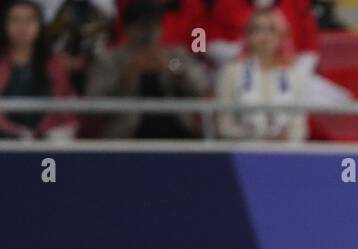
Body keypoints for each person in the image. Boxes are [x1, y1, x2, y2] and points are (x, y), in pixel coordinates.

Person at [84, 0, 208, 139]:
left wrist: (173, 69)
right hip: (127, 136)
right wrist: (126, 76)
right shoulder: (109, 60)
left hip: (180, 132)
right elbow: (93, 105)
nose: (147, 34)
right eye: (141, 27)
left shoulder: (177, 55)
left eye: (153, 26)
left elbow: (201, 89)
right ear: (127, 29)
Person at [216, 7, 307, 142]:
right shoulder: (231, 72)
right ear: (247, 35)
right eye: (257, 29)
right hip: (243, 154)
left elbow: (299, 128)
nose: (265, 36)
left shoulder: (294, 75)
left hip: (285, 155)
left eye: (271, 30)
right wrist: (252, 137)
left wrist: (287, 139)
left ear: (282, 36)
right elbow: (224, 126)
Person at [0, 0, 77, 139]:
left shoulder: (56, 65)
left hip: (46, 139)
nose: (22, 26)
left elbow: (63, 107)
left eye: (29, 20)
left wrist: (39, 134)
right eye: (15, 20)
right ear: (5, 25)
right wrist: (17, 133)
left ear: (40, 26)